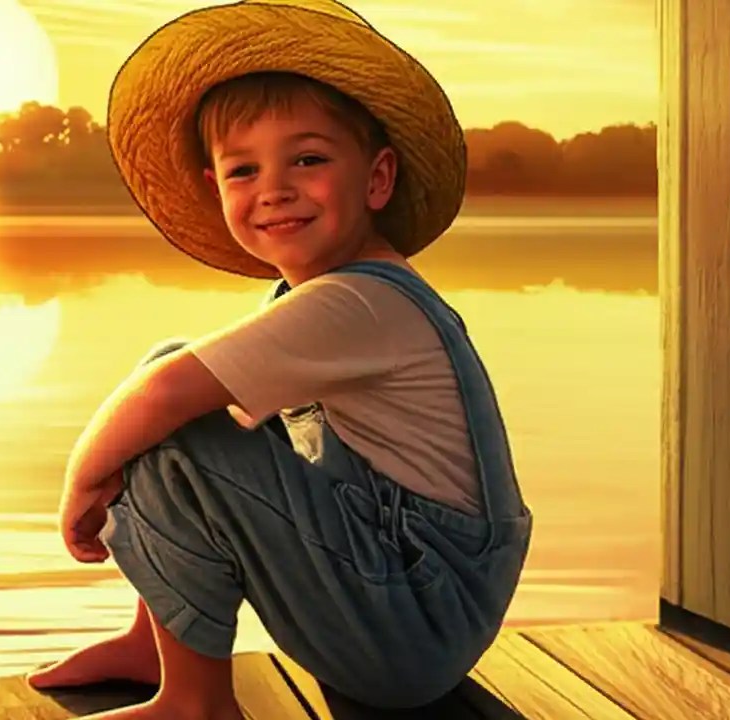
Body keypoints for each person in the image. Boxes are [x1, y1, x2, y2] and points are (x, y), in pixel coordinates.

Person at [27, 1, 533, 717]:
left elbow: (170, 394)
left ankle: (198, 703)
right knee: (172, 385)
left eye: (308, 159)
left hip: (415, 623)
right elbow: (181, 384)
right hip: (414, 605)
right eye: (242, 170)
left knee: (174, 418)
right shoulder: (326, 299)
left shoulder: (358, 304)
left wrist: (81, 483)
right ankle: (156, 641)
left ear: (377, 179)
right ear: (216, 189)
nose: (274, 188)